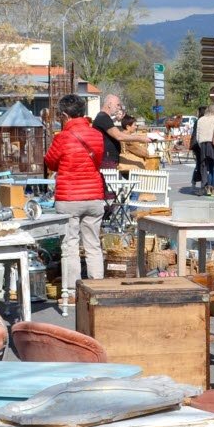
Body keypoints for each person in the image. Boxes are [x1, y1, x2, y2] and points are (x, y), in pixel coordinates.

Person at [43, 94, 106, 313]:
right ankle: (97, 290)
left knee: (70, 246)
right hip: (94, 196)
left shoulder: (62, 137)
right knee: (93, 244)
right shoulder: (97, 135)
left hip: (69, 197)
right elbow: (98, 159)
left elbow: (50, 162)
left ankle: (71, 293)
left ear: (64, 115)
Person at [93, 92, 142, 172]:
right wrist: (141, 138)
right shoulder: (103, 117)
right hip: (107, 161)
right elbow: (118, 136)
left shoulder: (104, 117)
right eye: (117, 105)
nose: (119, 108)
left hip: (108, 159)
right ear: (109, 104)